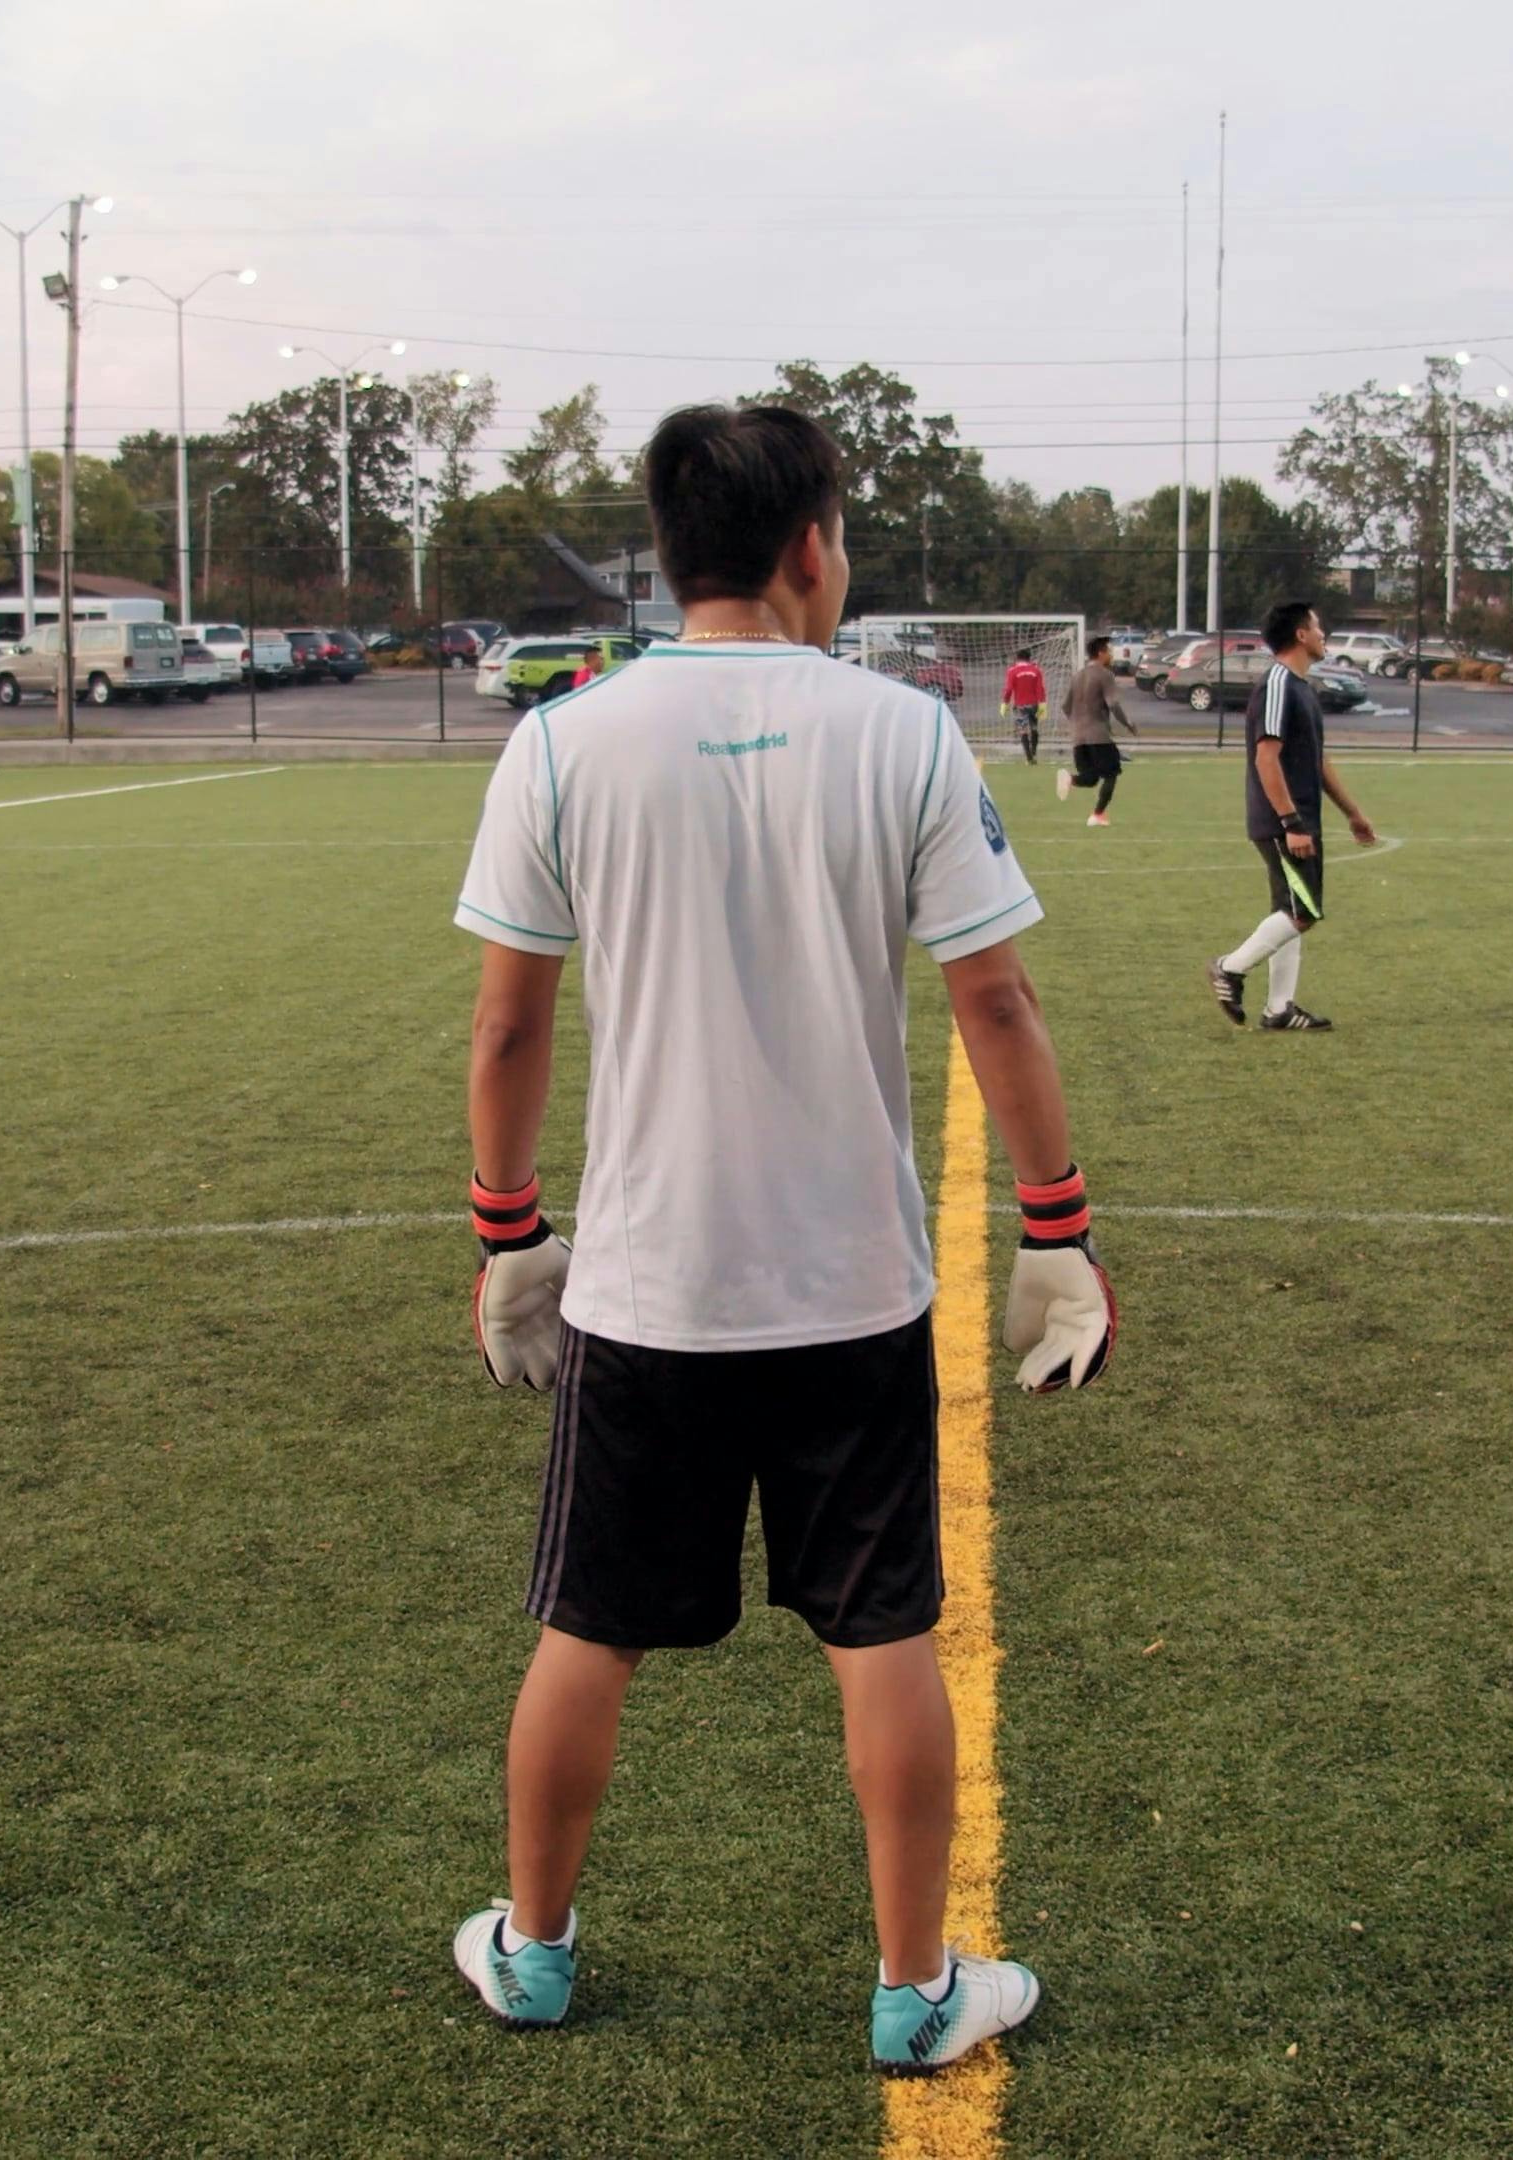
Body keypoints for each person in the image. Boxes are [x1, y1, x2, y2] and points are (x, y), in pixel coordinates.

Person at [449, 402, 1111, 2076]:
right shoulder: (900, 734)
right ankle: (913, 1989)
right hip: (849, 1288)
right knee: (882, 1632)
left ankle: (532, 1953)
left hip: (645, 1284)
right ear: (810, 545)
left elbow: (508, 1033)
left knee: (587, 1625)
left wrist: (505, 1232)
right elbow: (997, 998)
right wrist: (1057, 1232)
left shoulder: (562, 742)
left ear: (675, 555)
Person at [1208, 600, 1374, 1030]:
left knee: (1289, 911)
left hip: (1298, 821)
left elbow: (1318, 762)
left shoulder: (1302, 687)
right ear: (1301, 634)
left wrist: (1353, 813)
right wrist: (1291, 822)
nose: (1323, 634)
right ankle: (1230, 967)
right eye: (1318, 626)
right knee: (1304, 912)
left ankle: (1279, 1009)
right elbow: (1267, 757)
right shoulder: (1279, 684)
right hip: (1282, 823)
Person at [1058, 633, 1136, 825]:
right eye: (1109, 650)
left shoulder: (1077, 676)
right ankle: (1098, 814)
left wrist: (1077, 724)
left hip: (1078, 738)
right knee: (1111, 773)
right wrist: (1128, 724)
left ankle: (1070, 779)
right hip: (1098, 736)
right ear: (1100, 653)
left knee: (1091, 778)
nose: (1111, 654)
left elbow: (1065, 706)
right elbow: (1113, 704)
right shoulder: (1104, 674)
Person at [1002, 651, 1048, 764]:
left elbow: (1008, 689)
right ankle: (1034, 753)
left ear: (1017, 659)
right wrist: (1042, 703)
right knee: (1034, 728)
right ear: (1029, 659)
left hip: (1020, 706)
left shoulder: (1012, 671)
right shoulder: (1036, 670)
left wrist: (1005, 703)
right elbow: (1040, 688)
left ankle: (1028, 758)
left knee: (1023, 730)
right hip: (1033, 704)